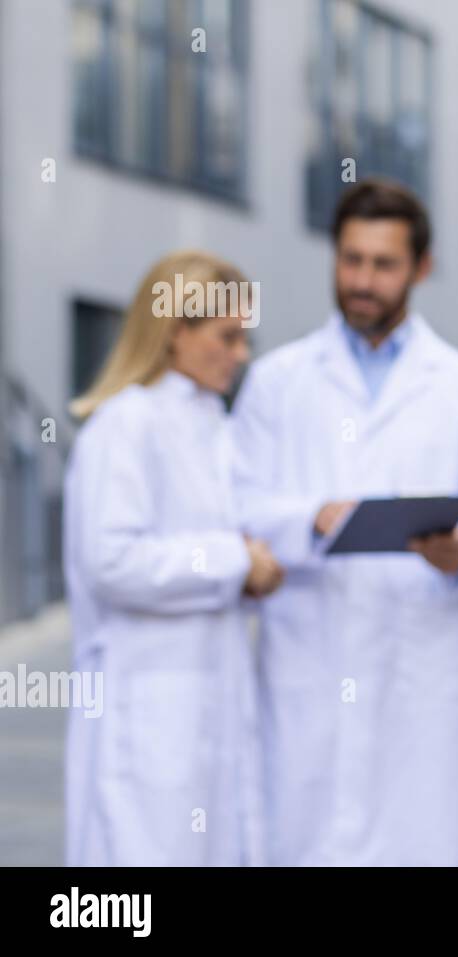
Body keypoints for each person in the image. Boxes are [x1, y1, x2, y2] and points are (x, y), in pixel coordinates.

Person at [230, 178, 458, 865]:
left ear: (421, 268)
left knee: (413, 839)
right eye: (350, 260)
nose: (362, 280)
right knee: (301, 838)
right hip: (307, 659)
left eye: (383, 264)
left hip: (414, 665)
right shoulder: (278, 380)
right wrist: (312, 517)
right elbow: (237, 504)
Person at [64, 250, 281, 866]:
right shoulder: (125, 426)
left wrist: (254, 567)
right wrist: (234, 561)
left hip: (207, 701)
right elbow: (112, 561)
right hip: (147, 707)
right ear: (175, 330)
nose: (241, 356)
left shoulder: (213, 424)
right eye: (227, 336)